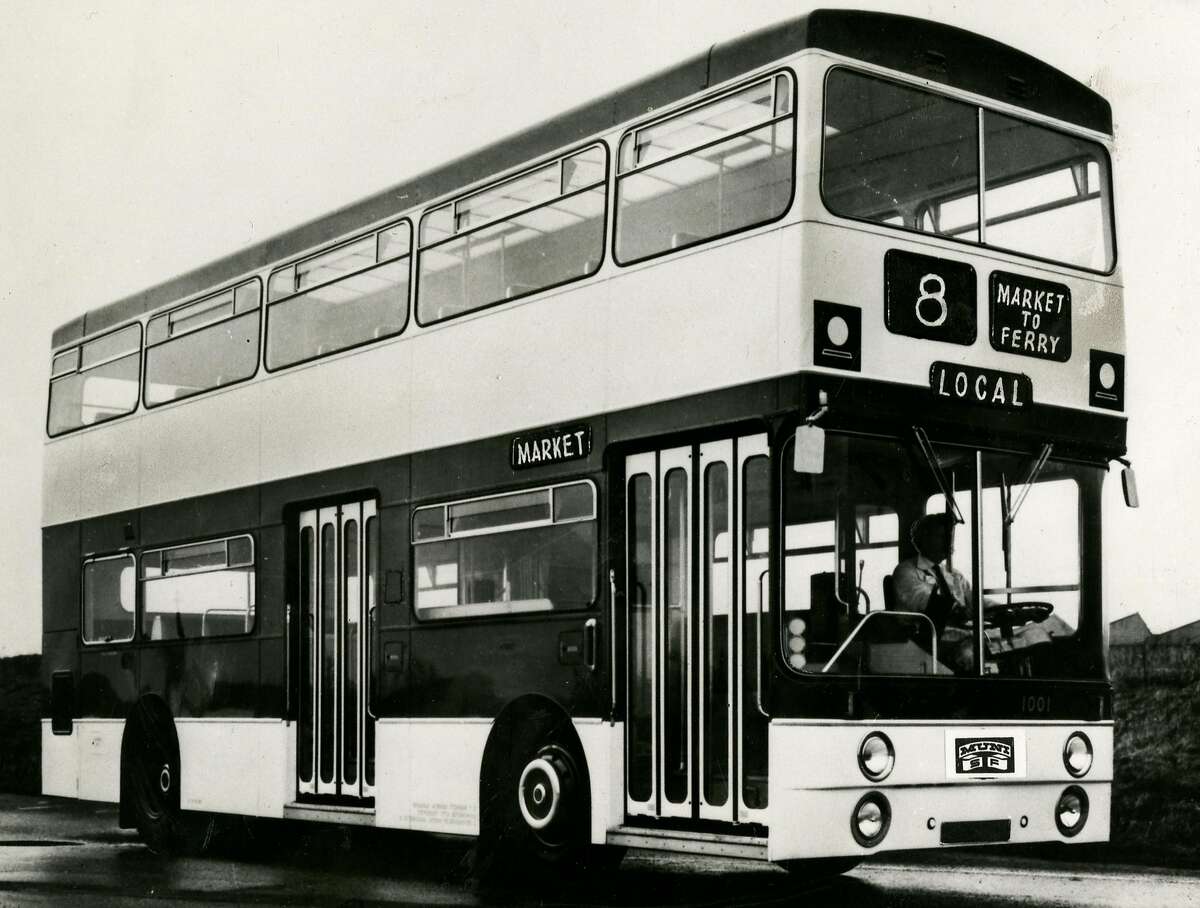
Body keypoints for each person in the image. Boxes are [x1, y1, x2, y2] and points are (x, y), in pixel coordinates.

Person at [891, 513, 974, 670]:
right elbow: (923, 599)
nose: (948, 542)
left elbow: (975, 600)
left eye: (949, 537)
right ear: (924, 539)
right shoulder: (906, 571)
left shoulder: (954, 575)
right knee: (971, 654)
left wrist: (1005, 609)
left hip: (960, 634)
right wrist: (956, 609)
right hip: (928, 638)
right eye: (941, 536)